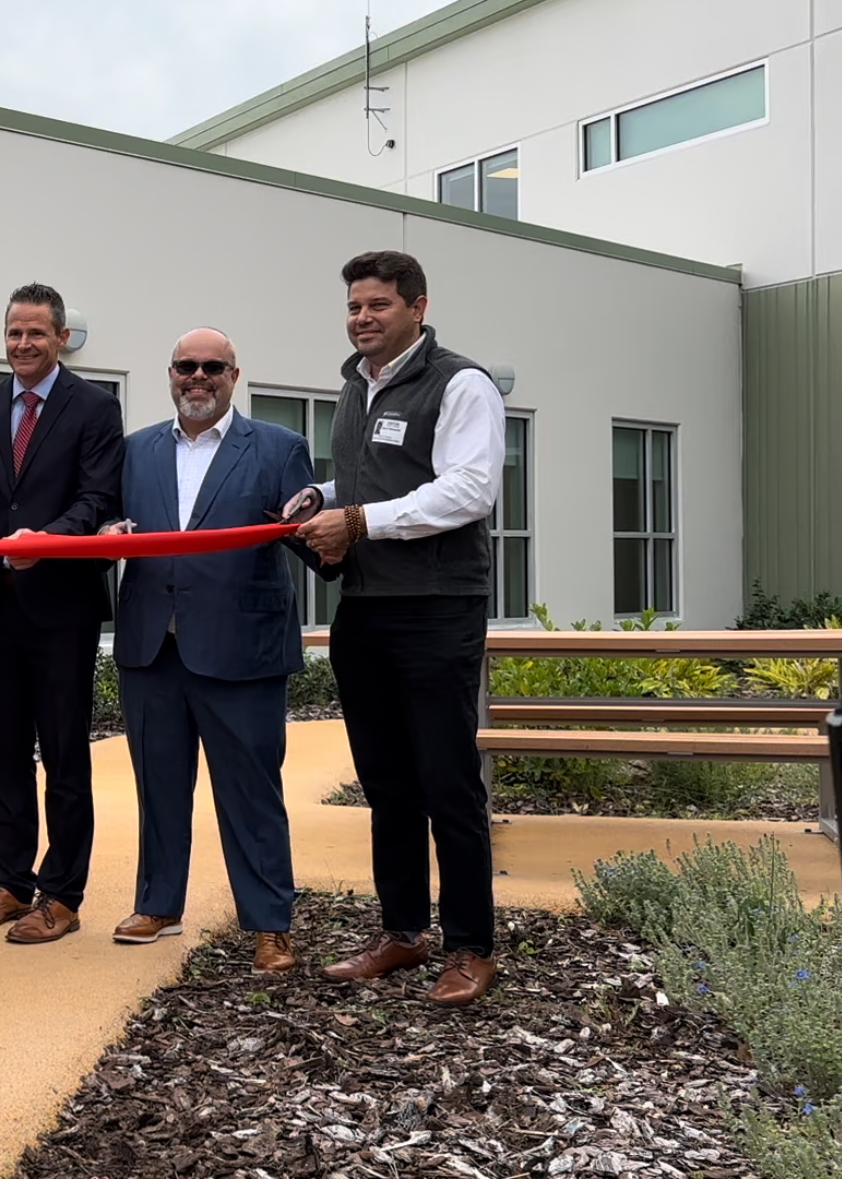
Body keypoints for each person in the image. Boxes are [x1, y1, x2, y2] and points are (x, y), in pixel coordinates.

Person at [286, 250, 506, 1006]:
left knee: (447, 783)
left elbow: (467, 489)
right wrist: (322, 493)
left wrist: (357, 518)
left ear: (416, 305)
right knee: (386, 785)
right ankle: (404, 933)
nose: (361, 318)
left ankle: (471, 946)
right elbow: (375, 479)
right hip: (367, 607)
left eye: (377, 304)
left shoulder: (459, 382)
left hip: (437, 608)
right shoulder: (356, 385)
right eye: (353, 306)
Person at [102, 328, 318, 972]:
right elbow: (109, 525)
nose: (198, 378)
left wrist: (318, 515)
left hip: (242, 650)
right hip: (152, 646)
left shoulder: (281, 447)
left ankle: (270, 923)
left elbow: (304, 536)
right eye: (186, 367)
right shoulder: (135, 450)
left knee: (251, 793)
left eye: (212, 367)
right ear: (169, 374)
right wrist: (108, 533)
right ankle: (159, 904)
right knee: (159, 786)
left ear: (234, 375)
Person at [0, 283, 124, 945]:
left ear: (61, 337)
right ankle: (12, 883)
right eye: (14, 332)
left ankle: (62, 894)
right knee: (2, 753)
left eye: (35, 334)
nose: (22, 344)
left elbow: (98, 499)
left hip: (61, 608)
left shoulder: (95, 408)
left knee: (65, 756)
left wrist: (41, 544)